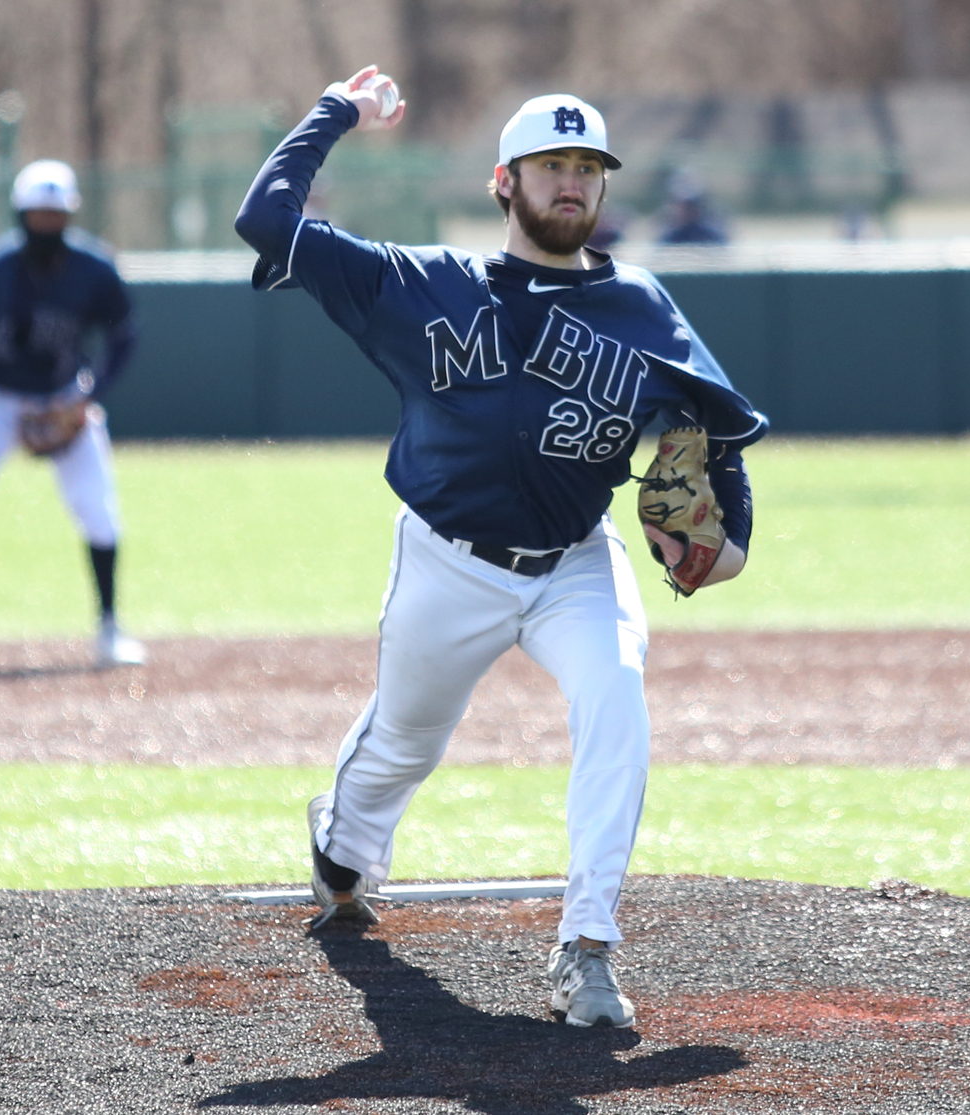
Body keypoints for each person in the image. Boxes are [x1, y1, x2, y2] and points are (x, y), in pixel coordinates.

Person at [235, 68, 766, 1029]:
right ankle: (341, 852)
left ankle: (586, 949)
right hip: (447, 561)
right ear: (503, 181)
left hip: (577, 559)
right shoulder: (422, 284)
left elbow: (717, 433)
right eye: (550, 164)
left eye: (587, 167)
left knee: (616, 701)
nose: (571, 182)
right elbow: (266, 220)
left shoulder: (642, 306)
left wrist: (731, 542)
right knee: (405, 742)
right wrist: (338, 112)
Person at [0, 159, 146, 669]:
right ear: (20, 215)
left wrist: (89, 395)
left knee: (99, 509)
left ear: (70, 217)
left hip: (61, 398)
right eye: (38, 215)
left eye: (55, 216)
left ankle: (110, 627)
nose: (46, 225)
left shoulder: (92, 269)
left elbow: (124, 335)